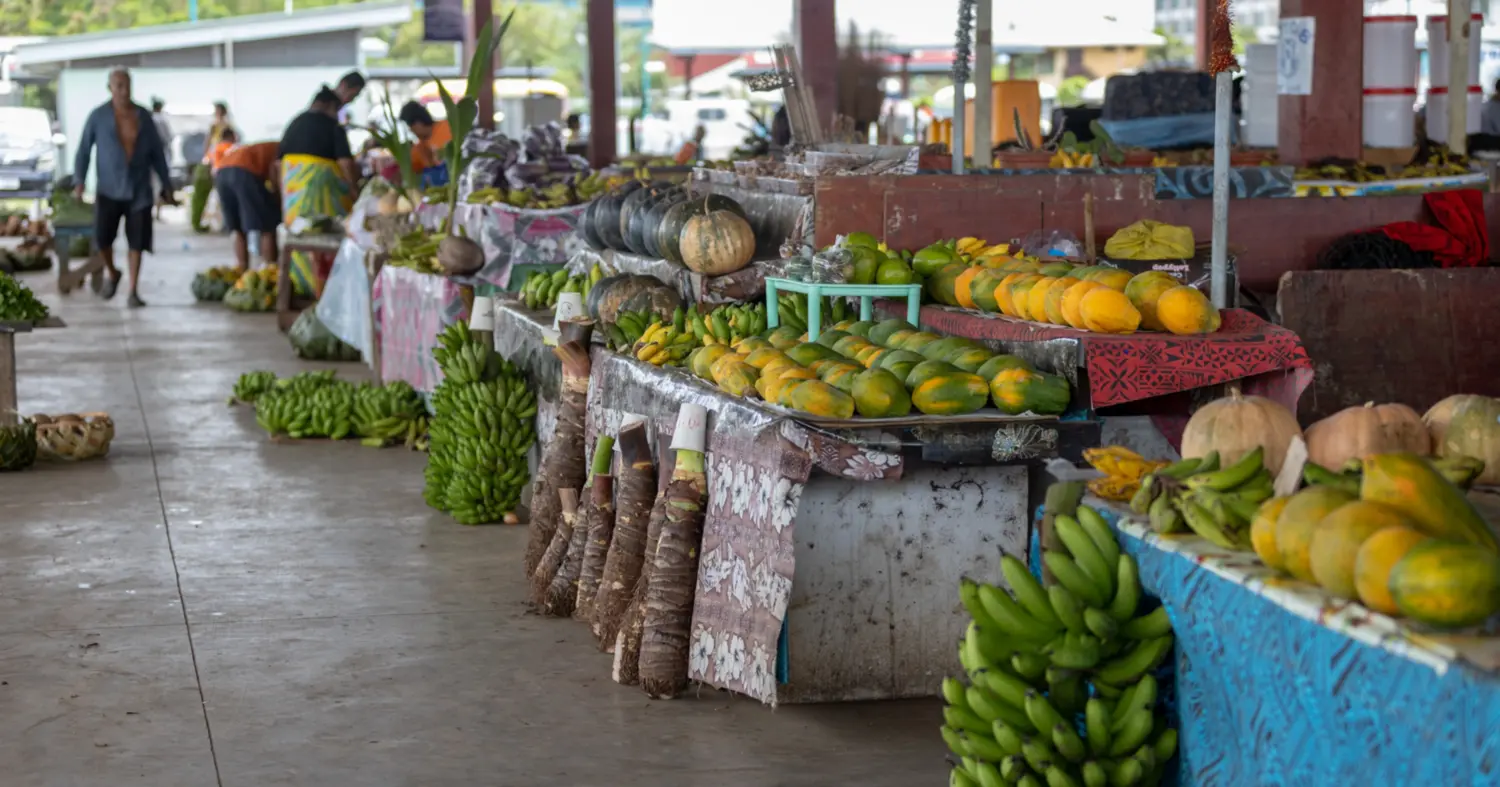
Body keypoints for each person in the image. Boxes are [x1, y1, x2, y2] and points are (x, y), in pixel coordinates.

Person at [74, 68, 173, 307]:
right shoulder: (98, 116)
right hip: (108, 187)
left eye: (127, 85)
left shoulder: (143, 116)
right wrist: (79, 181)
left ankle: (133, 290)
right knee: (102, 238)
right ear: (110, 88)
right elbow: (84, 150)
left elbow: (157, 153)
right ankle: (113, 271)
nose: (123, 90)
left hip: (139, 188)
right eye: (118, 85)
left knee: (137, 240)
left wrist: (166, 184)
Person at [277, 87, 357, 298]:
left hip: (293, 198)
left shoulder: (294, 123)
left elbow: (278, 164)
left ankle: (301, 286)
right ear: (331, 106)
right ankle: (327, 291)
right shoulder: (332, 126)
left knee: (299, 237)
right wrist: (354, 189)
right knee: (326, 238)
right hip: (324, 197)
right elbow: (346, 163)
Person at [214, 140, 281, 275]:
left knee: (237, 228)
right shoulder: (281, 149)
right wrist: (278, 199)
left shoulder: (262, 146)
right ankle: (270, 272)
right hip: (243, 170)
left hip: (221, 173)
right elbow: (275, 174)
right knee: (267, 226)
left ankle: (241, 270)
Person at [397, 101, 452, 188]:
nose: (411, 131)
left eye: (410, 127)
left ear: (418, 123)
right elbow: (408, 169)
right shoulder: (419, 148)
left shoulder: (447, 127)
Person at [150, 98, 173, 220]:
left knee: (150, 185)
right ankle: (158, 213)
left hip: (147, 158)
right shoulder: (161, 120)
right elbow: (169, 137)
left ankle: (151, 212)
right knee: (159, 185)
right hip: (160, 155)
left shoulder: (148, 118)